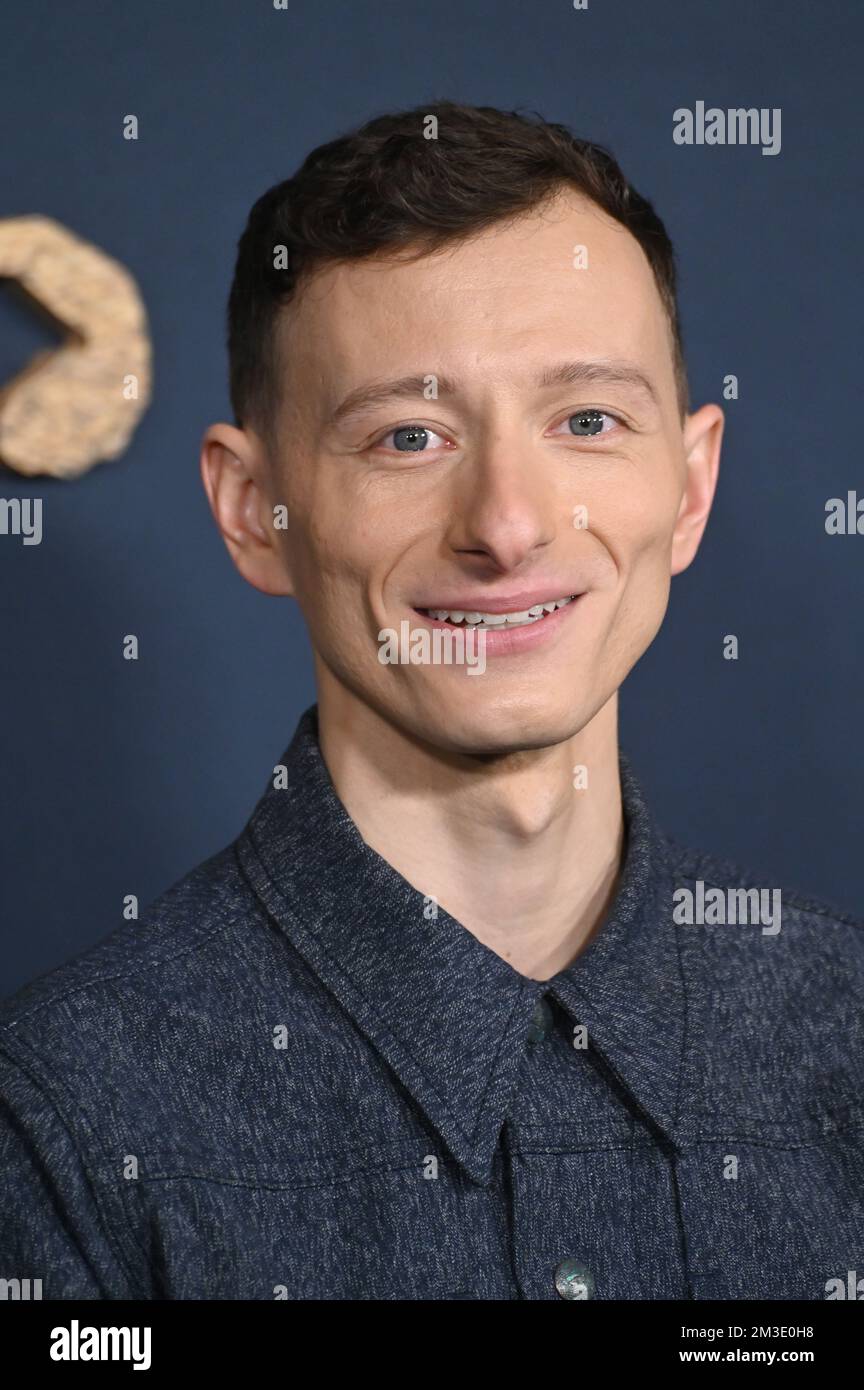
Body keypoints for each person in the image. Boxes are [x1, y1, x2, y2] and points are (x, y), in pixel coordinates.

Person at [2, 102, 862, 1302]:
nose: (507, 524)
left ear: (689, 485)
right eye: (408, 435)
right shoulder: (55, 1130)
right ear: (256, 510)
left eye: (588, 421)